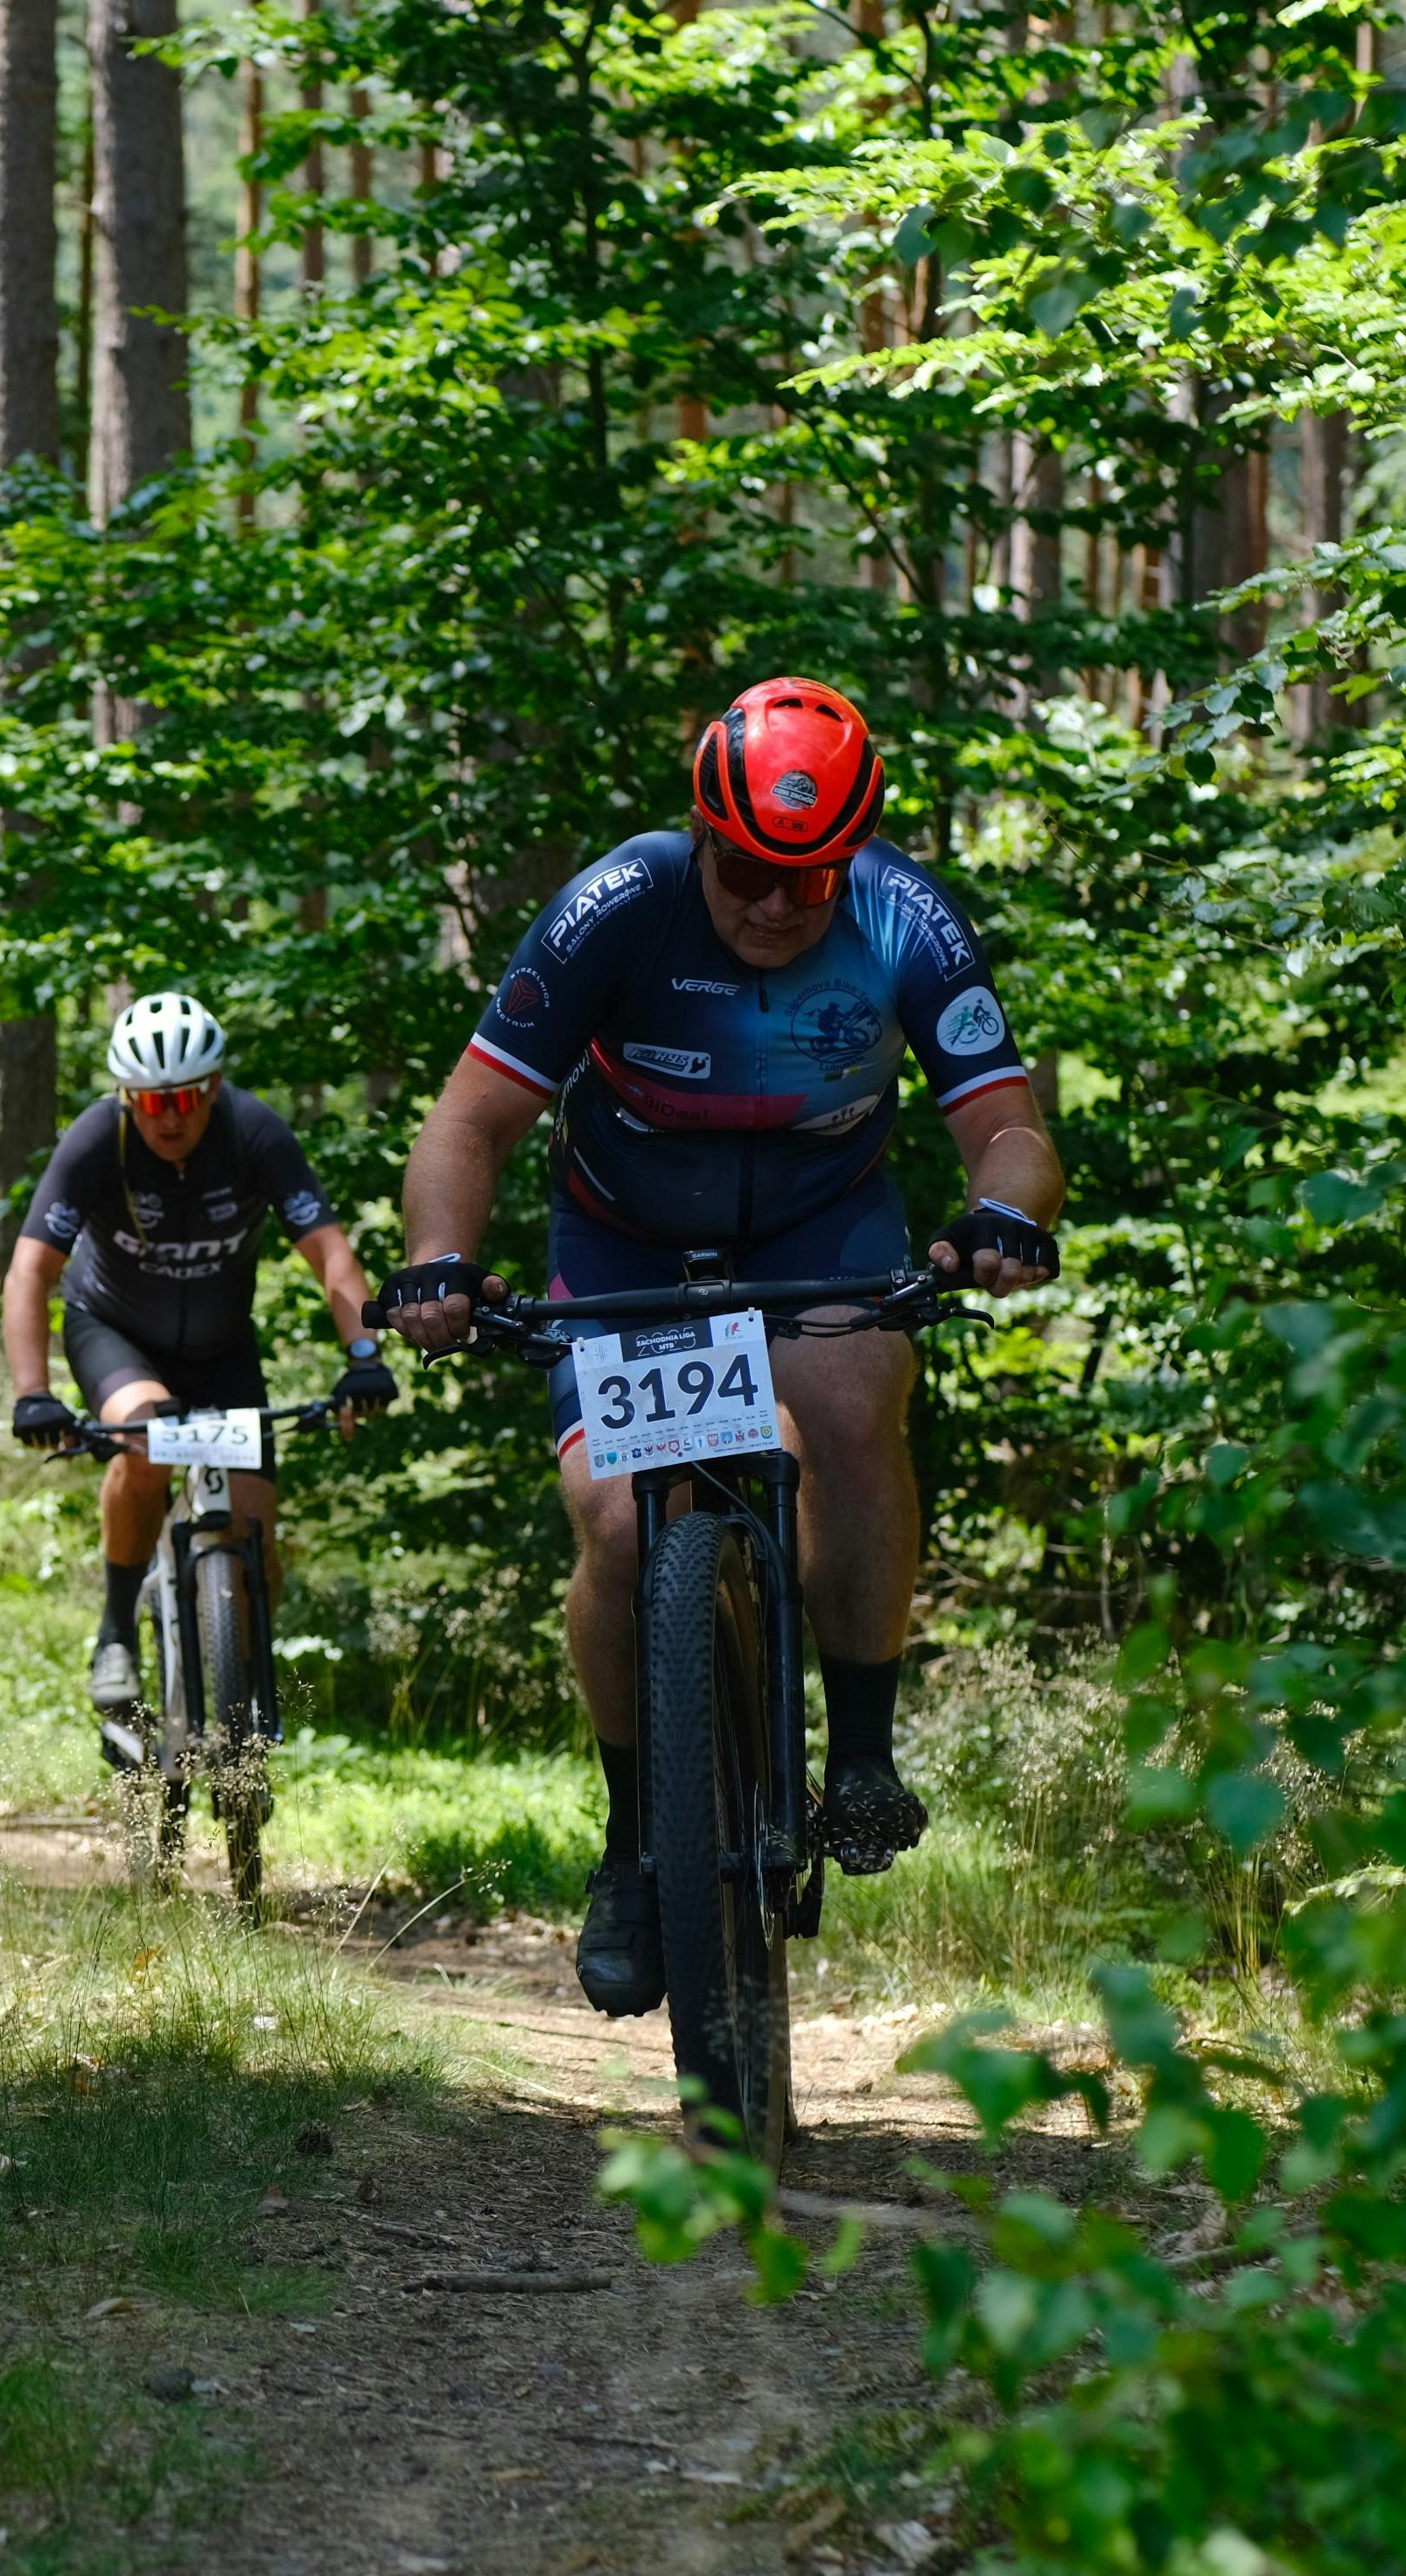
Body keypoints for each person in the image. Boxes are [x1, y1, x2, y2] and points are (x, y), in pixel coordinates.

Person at [376, 676, 1066, 2018]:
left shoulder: (902, 915)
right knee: (624, 1532)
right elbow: (468, 1123)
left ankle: (859, 1753)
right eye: (748, 869)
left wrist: (1002, 1213)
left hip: (823, 1231)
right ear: (703, 835)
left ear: (849, 855)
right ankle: (636, 1850)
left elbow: (1012, 1129)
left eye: (808, 880)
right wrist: (439, 1264)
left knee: (861, 1404)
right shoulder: (619, 905)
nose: (773, 902)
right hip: (631, 1243)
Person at [0, 992, 397, 1768]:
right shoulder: (98, 1139)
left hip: (221, 1350)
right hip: (114, 1334)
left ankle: (241, 1694)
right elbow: (29, 1272)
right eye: (149, 1101)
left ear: (213, 1088)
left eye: (183, 1098)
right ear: (126, 1097)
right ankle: (117, 1634)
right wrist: (30, 1390)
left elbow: (332, 1256)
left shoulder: (253, 1131)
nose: (166, 1117)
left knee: (256, 1534)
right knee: (144, 1444)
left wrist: (364, 1361)